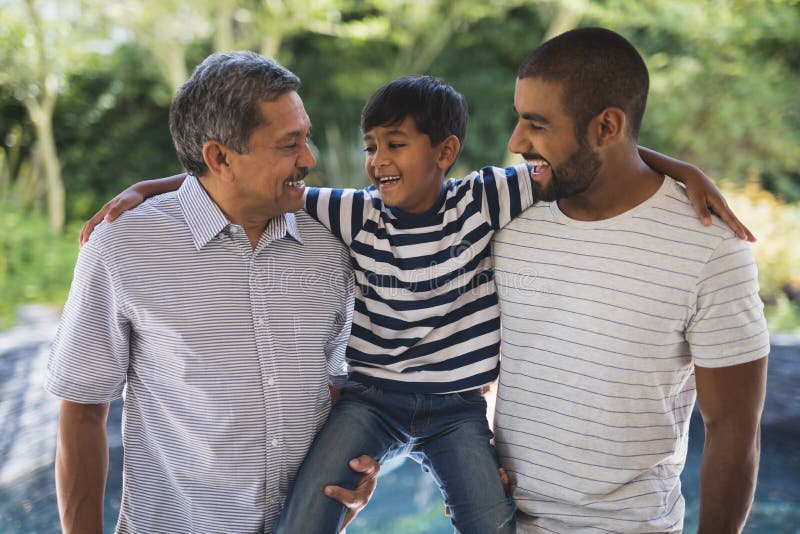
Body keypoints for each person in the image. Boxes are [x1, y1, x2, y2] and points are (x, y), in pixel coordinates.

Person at [81, 70, 752, 533]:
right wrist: (158, 184)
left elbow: (586, 155)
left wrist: (679, 167)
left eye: (394, 145)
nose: (375, 161)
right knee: (308, 514)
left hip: (457, 409)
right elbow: (240, 179)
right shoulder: (351, 213)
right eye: (371, 146)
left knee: (491, 521)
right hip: (373, 399)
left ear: (446, 151)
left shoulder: (487, 198)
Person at [45, 51, 378, 534]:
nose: (309, 160)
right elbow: (81, 407)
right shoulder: (124, 246)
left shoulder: (332, 241)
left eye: (305, 138)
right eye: (290, 145)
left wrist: (359, 472)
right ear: (219, 157)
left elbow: (336, 385)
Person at [491, 27, 769, 532]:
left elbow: (733, 431)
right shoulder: (508, 214)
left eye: (536, 124)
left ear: (606, 127)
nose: (515, 142)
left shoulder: (710, 248)